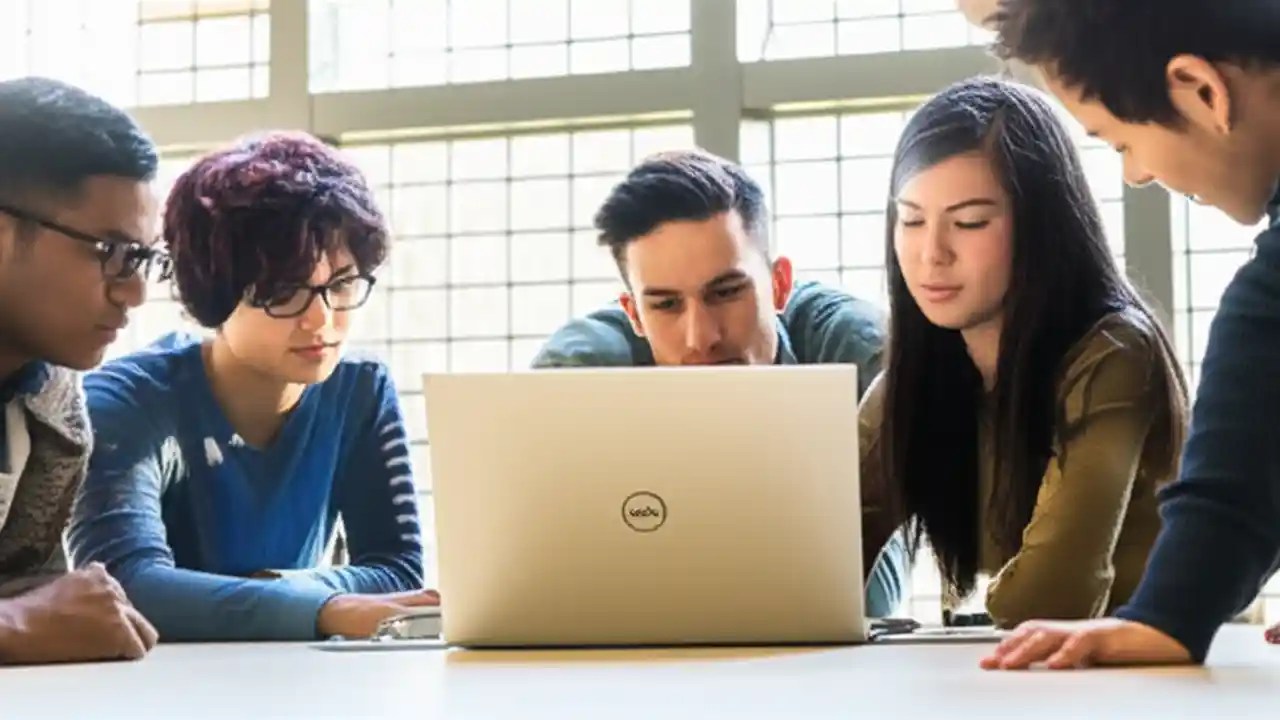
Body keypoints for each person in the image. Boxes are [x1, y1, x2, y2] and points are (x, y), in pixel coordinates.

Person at [970, 0, 1280, 670]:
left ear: (1201, 90)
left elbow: (1240, 480)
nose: (1135, 173)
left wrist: (1169, 614)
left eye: (1120, 142)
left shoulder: (1269, 300)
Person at [67, 132, 435, 643]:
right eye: (284, 292)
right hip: (154, 686)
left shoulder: (359, 391)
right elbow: (124, 587)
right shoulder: (126, 402)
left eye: (342, 285)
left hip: (297, 677)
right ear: (213, 293)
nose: (320, 319)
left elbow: (398, 571)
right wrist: (325, 609)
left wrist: (282, 591)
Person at [857, 76, 1189, 633]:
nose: (930, 254)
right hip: (1036, 671)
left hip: (1160, 668)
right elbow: (814, 559)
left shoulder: (1112, 354)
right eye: (910, 219)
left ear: (1041, 228)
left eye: (969, 222)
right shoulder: (919, 377)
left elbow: (1054, 593)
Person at [531, 149, 907, 617]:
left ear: (779, 283)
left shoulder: (860, 349)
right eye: (666, 305)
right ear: (635, 316)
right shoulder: (575, 374)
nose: (701, 338)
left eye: (726, 292)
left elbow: (873, 594)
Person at [0, 77, 167, 665]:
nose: (136, 291)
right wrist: (14, 624)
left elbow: (27, 593)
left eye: (146, 258)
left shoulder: (55, 402)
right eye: (111, 252)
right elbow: (22, 614)